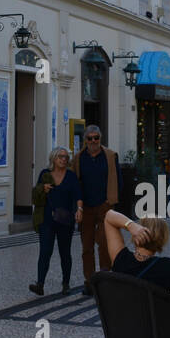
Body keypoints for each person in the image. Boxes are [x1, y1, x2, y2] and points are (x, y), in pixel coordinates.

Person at [102, 208, 170, 300]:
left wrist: (131, 226)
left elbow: (109, 216)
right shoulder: (168, 267)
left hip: (122, 315)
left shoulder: (121, 258)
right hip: (155, 316)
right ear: (162, 239)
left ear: (135, 234)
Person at [73, 125, 119, 295]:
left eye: (96, 138)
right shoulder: (78, 158)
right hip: (86, 207)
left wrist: (111, 201)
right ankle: (90, 281)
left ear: (100, 138)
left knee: (104, 243)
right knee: (87, 246)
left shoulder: (109, 155)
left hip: (104, 205)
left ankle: (105, 278)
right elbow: (75, 182)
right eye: (90, 138)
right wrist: (77, 206)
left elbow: (118, 179)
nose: (93, 141)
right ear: (85, 140)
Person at [29, 147, 81, 296]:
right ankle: (40, 284)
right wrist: (42, 189)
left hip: (66, 220)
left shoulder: (71, 176)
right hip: (47, 219)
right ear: (53, 158)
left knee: (65, 252)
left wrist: (79, 210)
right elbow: (35, 195)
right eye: (60, 157)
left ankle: (66, 283)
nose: (63, 159)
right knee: (45, 251)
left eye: (65, 157)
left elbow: (78, 194)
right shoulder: (45, 175)